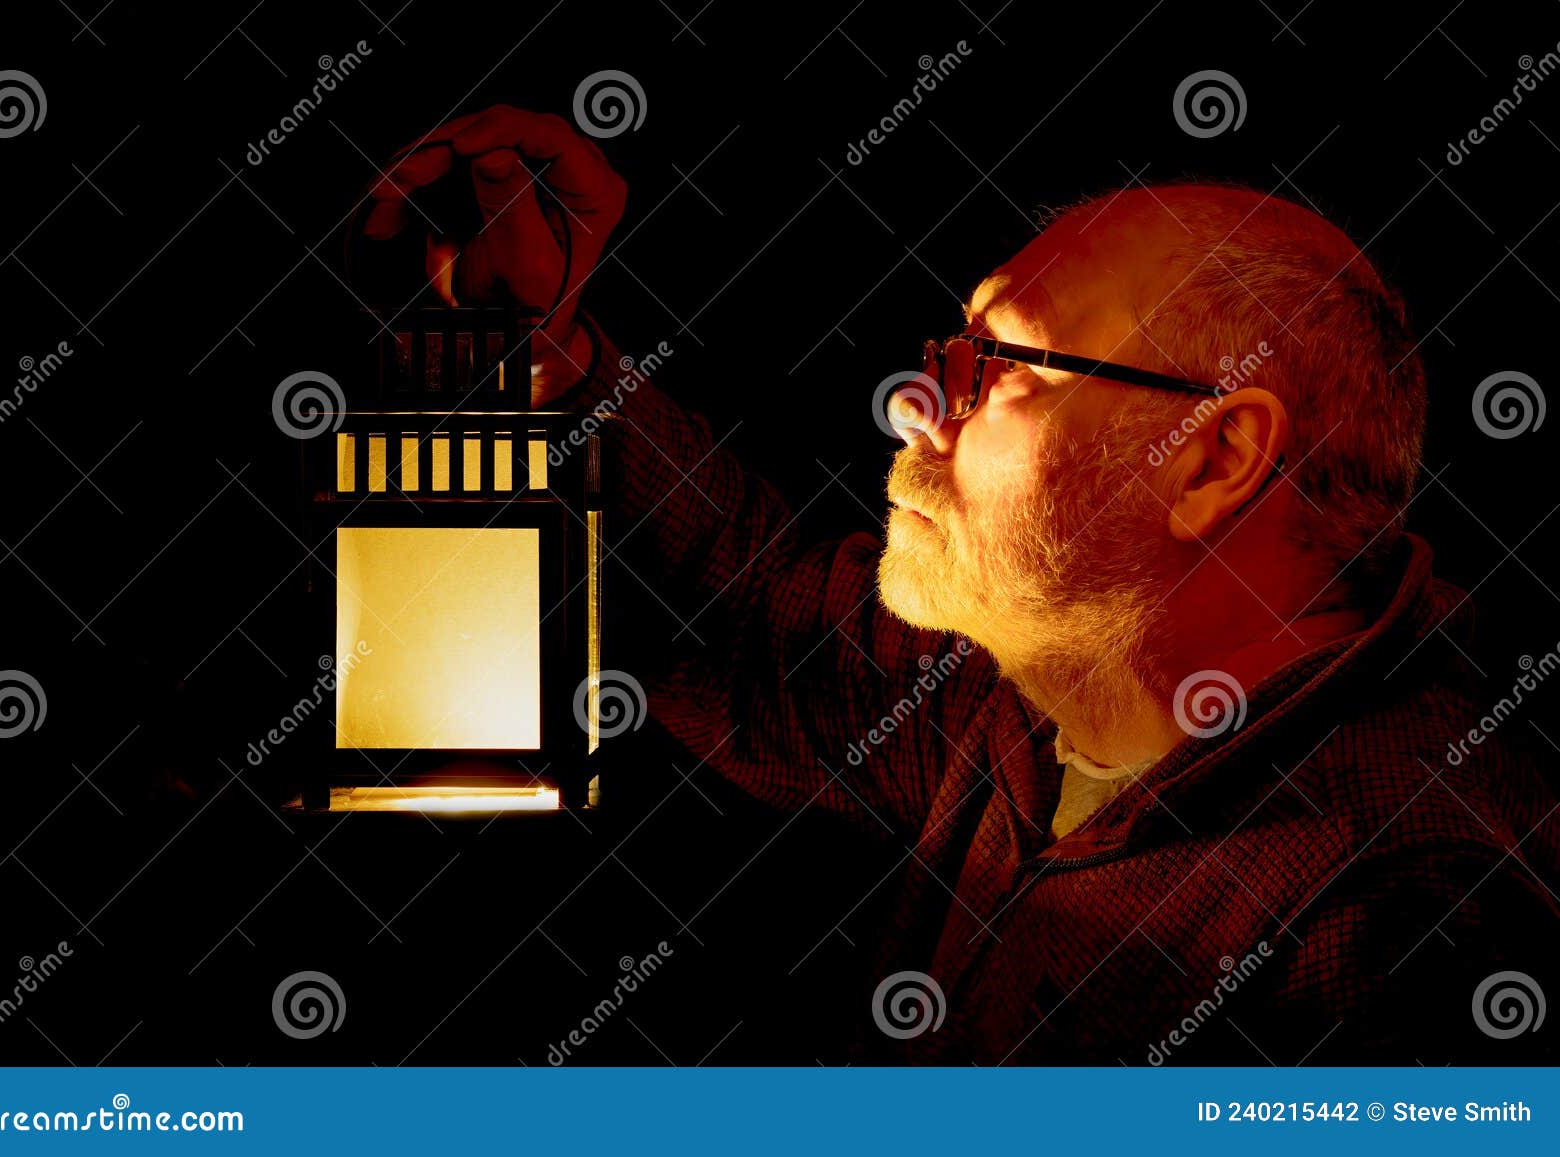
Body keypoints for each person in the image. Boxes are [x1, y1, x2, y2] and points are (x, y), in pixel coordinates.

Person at [365, 106, 1560, 1064]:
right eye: (952, 352)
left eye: (1001, 363)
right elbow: (736, 610)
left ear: (1211, 459)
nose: (913, 403)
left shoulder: (1409, 926)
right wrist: (539, 336)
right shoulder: (1029, 693)